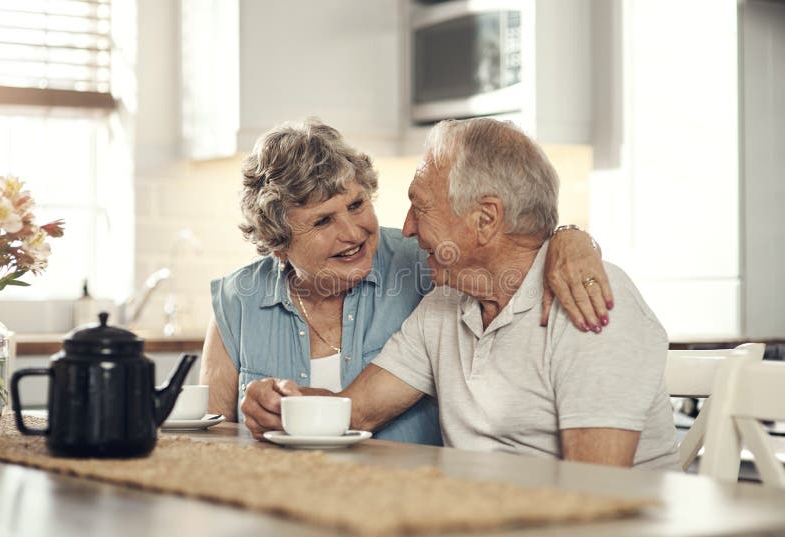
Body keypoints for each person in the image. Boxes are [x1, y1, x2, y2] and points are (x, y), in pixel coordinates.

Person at [201, 118, 614, 446]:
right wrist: (266, 409)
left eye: (357, 204)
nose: (354, 231)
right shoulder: (238, 301)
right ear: (279, 244)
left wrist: (570, 236)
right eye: (323, 220)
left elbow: (510, 240)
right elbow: (214, 445)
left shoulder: (430, 265)